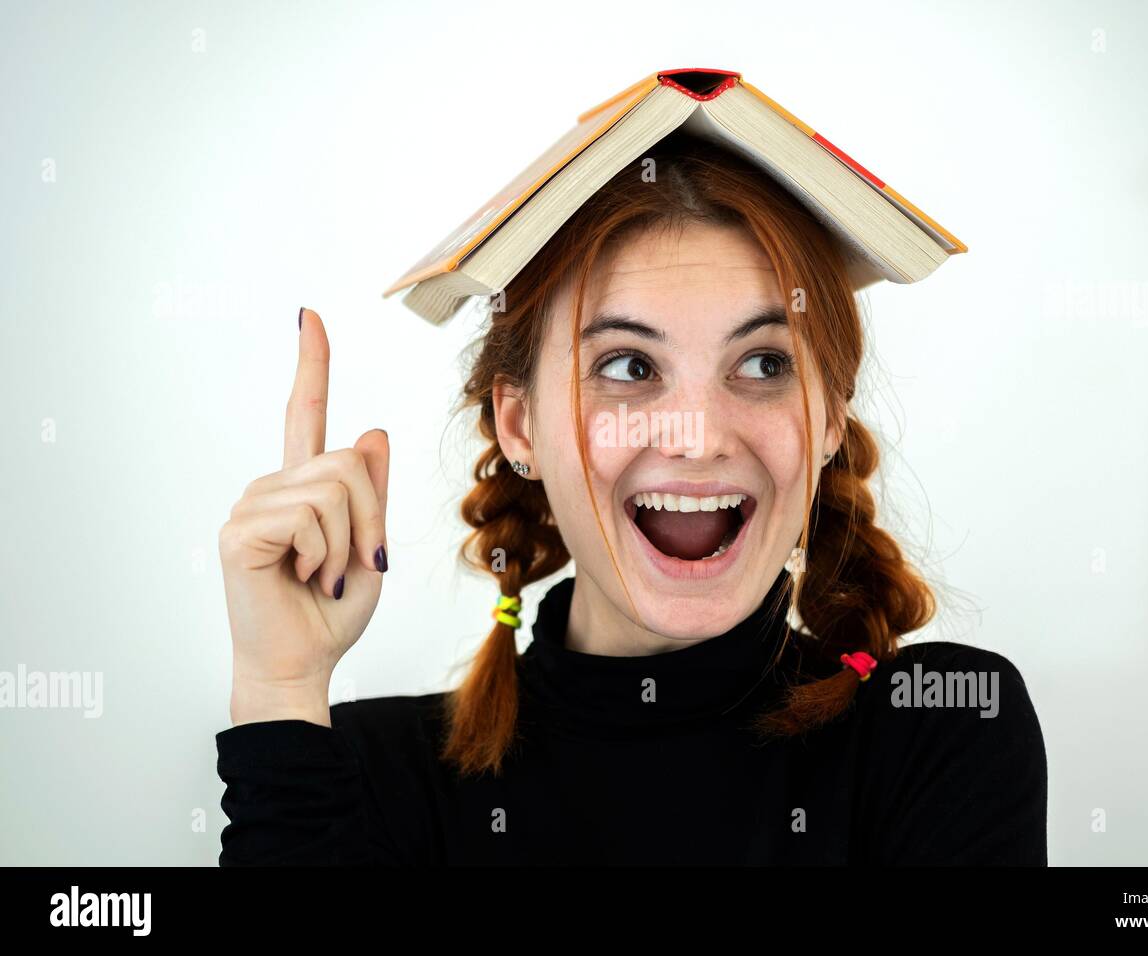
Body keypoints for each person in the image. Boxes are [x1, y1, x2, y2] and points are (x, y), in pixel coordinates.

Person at [214, 131, 1048, 865]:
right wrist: (278, 691)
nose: (696, 434)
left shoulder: (938, 732)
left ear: (830, 417)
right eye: (628, 366)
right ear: (519, 424)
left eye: (764, 363)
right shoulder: (363, 779)